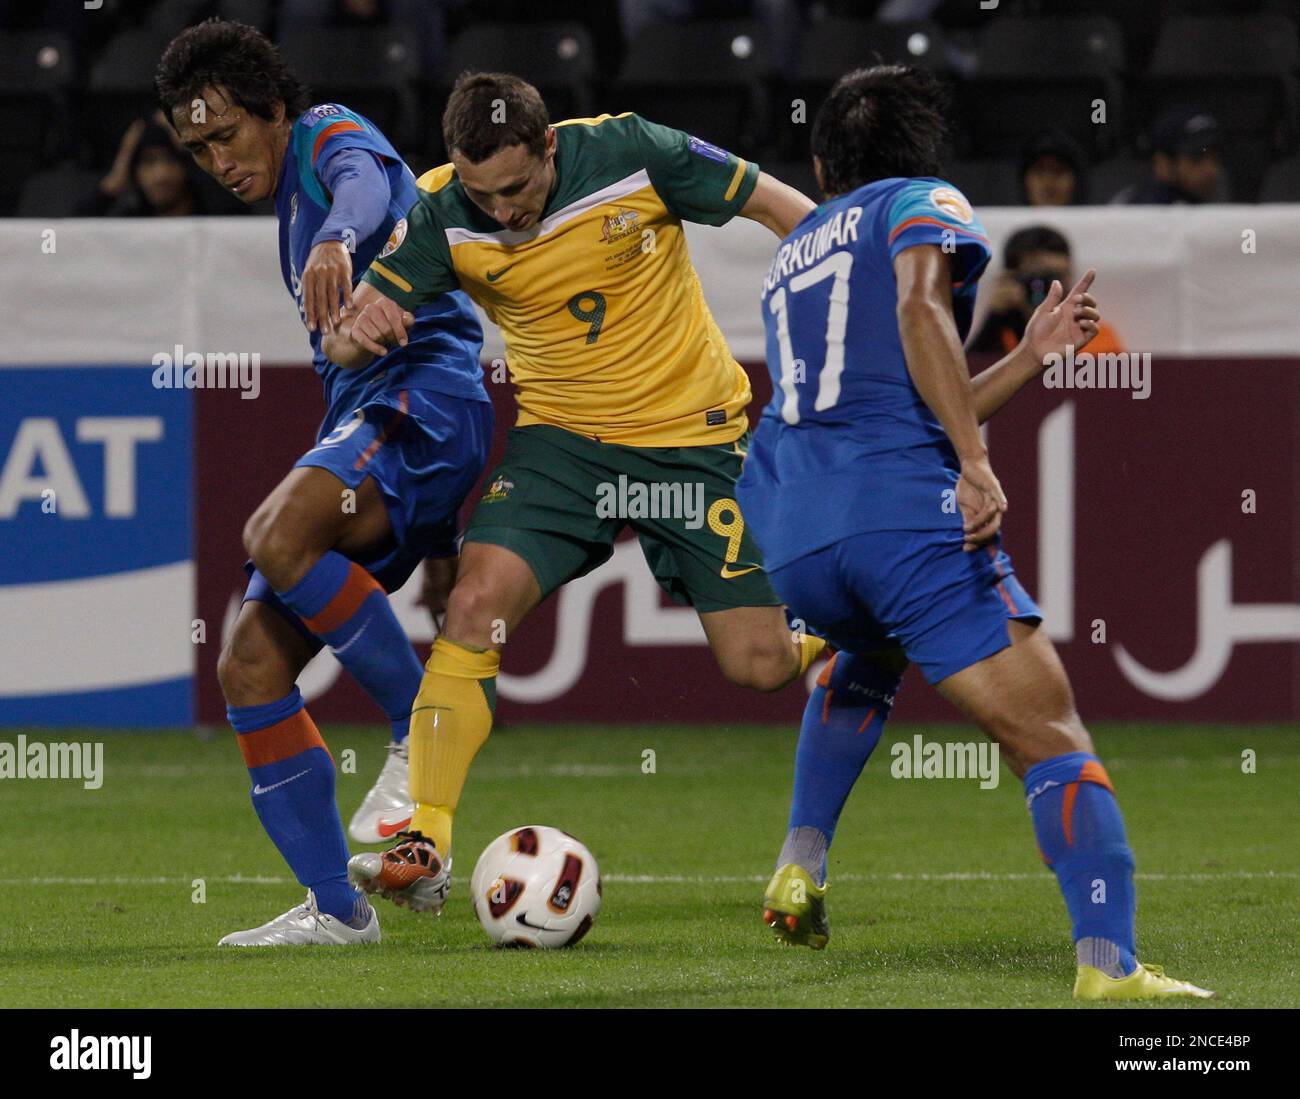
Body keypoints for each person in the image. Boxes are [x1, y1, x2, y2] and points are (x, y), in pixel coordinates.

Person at [736, 64, 1211, 1001]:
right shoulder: (922, 199)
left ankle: (799, 861)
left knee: (862, 657)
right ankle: (1109, 967)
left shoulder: (794, 253)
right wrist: (975, 460)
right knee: (1051, 733)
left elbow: (899, 382)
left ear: (825, 161)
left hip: (794, 530)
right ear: (925, 150)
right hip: (895, 514)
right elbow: (920, 310)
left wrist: (1029, 357)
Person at [325, 71, 829, 914]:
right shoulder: (444, 212)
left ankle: (847, 631)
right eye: (483, 193)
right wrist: (356, 330)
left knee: (762, 664)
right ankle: (429, 834)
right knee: (472, 604)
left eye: (517, 187)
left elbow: (787, 211)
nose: (503, 211)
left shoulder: (635, 151)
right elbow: (346, 341)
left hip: (691, 441)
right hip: (563, 449)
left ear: (549, 144)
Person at [155, 19, 493, 945]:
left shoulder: (327, 136)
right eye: (196, 147)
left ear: (270, 109)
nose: (215, 158)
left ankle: (416, 730)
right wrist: (445, 543)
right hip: (377, 422)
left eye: (224, 133)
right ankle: (340, 913)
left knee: (273, 533)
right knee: (249, 665)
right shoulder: (283, 210)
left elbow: (368, 182)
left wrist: (338, 240)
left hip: (424, 395)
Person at [970, 225, 1123, 355]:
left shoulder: (1094, 334)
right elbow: (967, 380)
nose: (1047, 289)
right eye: (1033, 278)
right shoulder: (998, 336)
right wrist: (994, 319)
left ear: (1069, 277)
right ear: (1011, 279)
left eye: (1054, 278)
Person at [1111, 105, 1225, 205]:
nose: (1210, 169)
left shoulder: (1219, 199)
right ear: (1163, 162)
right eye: (1196, 158)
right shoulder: (1131, 210)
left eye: (1214, 158)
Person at [1019, 129, 1086, 207]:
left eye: (1059, 171)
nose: (1048, 182)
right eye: (1039, 172)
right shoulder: (1005, 218)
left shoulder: (1097, 218)